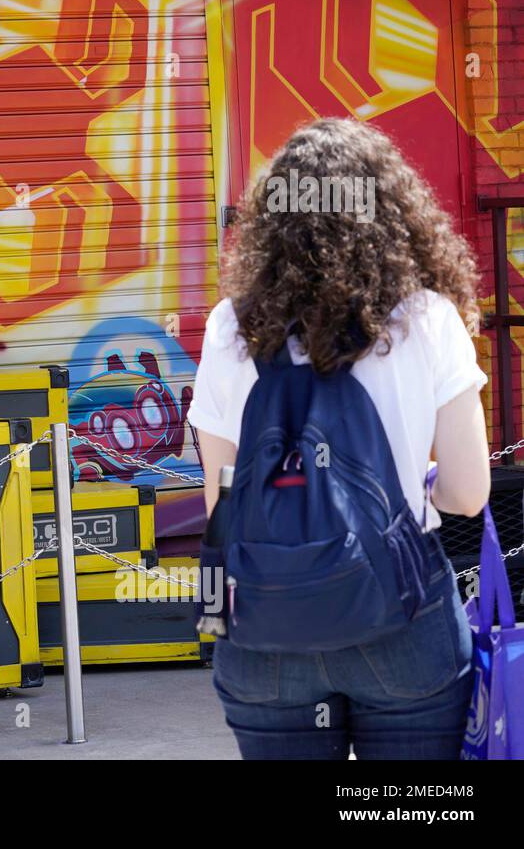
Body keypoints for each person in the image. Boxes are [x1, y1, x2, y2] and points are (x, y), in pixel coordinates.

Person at [187, 117, 490, 760]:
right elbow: (467, 493)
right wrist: (413, 489)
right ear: (391, 210)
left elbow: (221, 503)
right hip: (403, 625)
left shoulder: (228, 328)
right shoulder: (427, 320)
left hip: (264, 629)